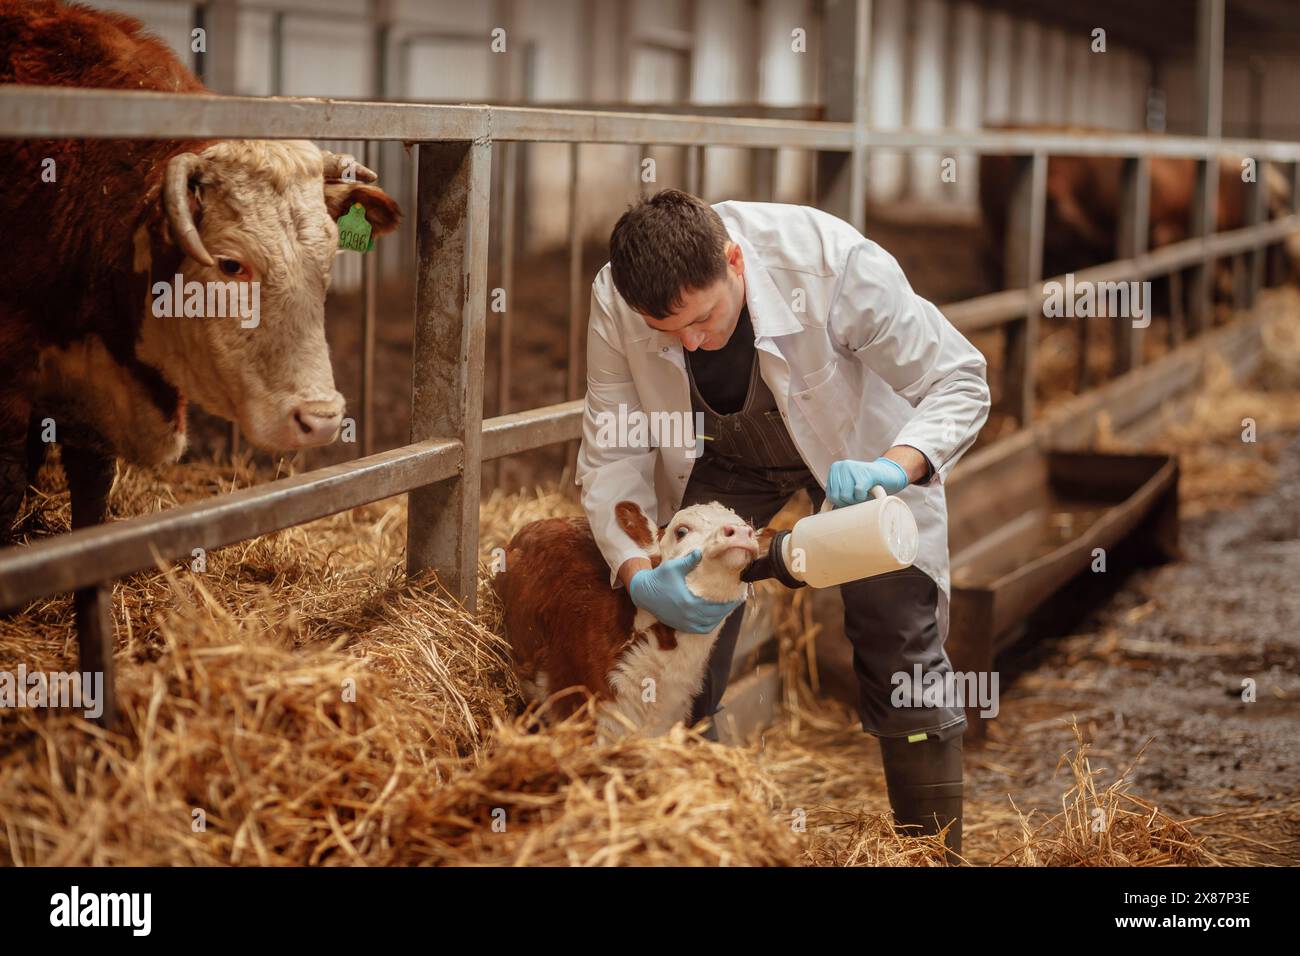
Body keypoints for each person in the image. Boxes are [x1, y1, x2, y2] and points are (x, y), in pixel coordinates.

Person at [576, 188, 991, 861]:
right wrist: (635, 572)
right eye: (666, 329)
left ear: (735, 261)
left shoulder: (832, 265)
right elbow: (613, 447)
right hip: (725, 460)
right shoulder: (616, 298)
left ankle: (931, 851)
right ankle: (686, 836)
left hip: (857, 450)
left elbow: (960, 379)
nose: (689, 341)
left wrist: (896, 466)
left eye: (705, 320)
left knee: (898, 634)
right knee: (678, 633)